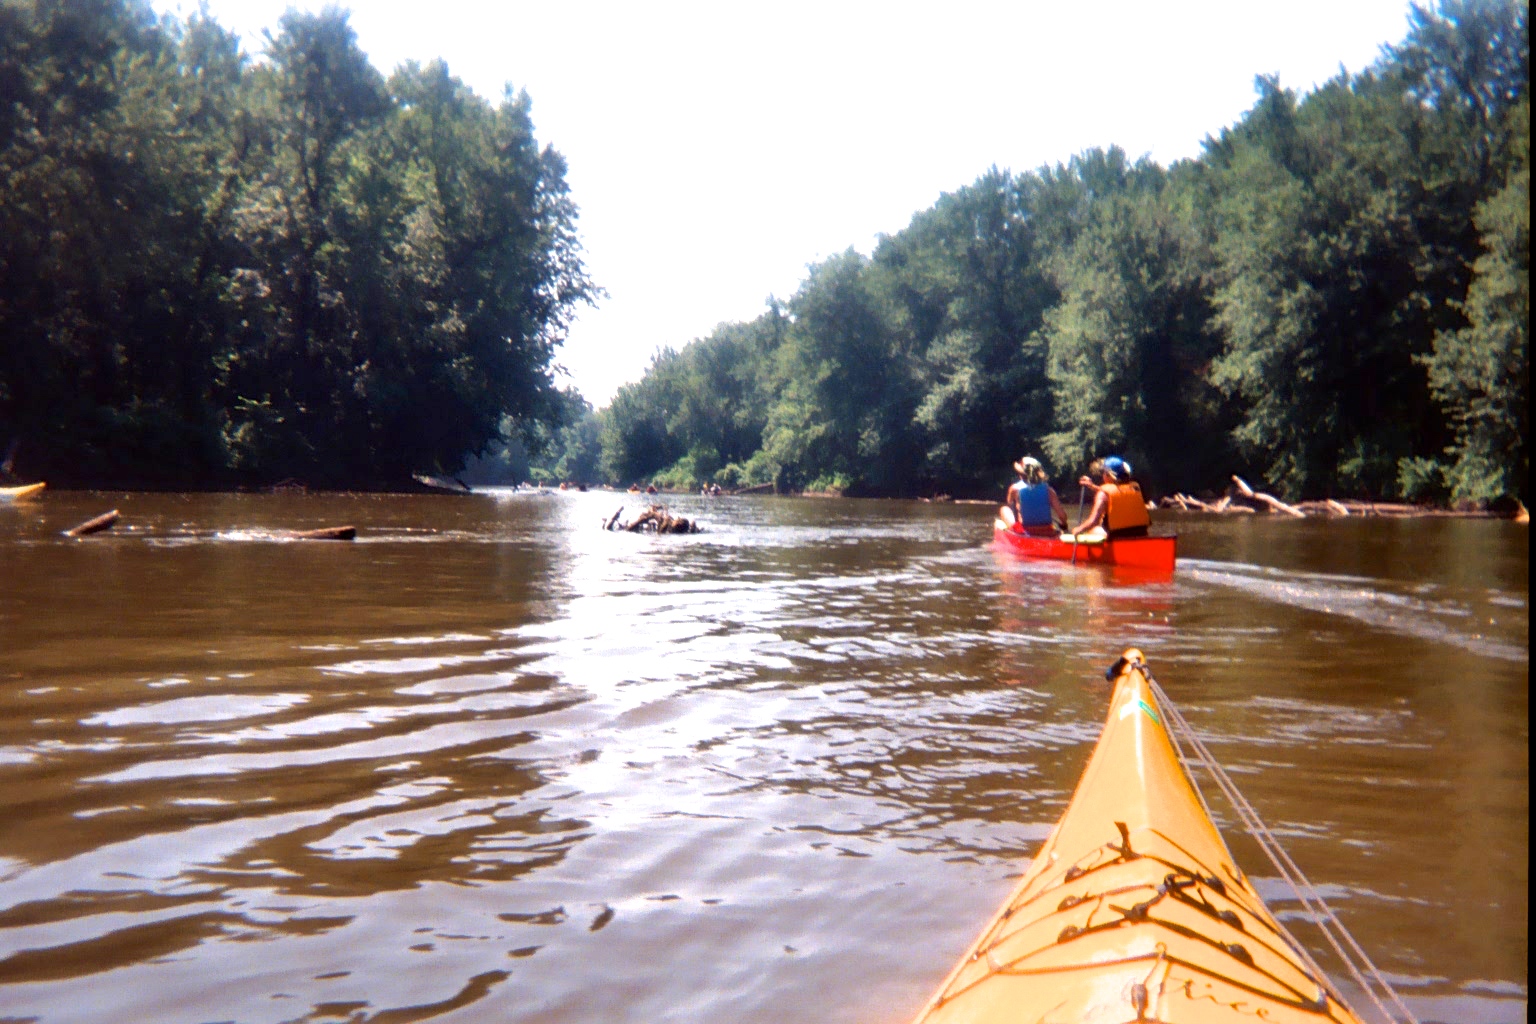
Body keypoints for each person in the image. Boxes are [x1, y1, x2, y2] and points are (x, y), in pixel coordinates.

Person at [1068, 455, 1151, 539]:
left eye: (1104, 473)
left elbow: (1094, 521)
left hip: (1117, 536)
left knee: (1093, 529)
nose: (1103, 475)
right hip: (1141, 534)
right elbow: (1117, 493)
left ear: (1108, 475)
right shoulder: (1135, 487)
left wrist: (1078, 530)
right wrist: (1092, 486)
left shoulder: (1103, 494)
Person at [1001, 456, 1068, 536]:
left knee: (1004, 509)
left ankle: (1013, 533)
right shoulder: (1049, 490)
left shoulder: (1014, 489)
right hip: (1047, 529)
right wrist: (1063, 524)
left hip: (1026, 530)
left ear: (1020, 474)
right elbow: (1062, 516)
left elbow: (1010, 503)